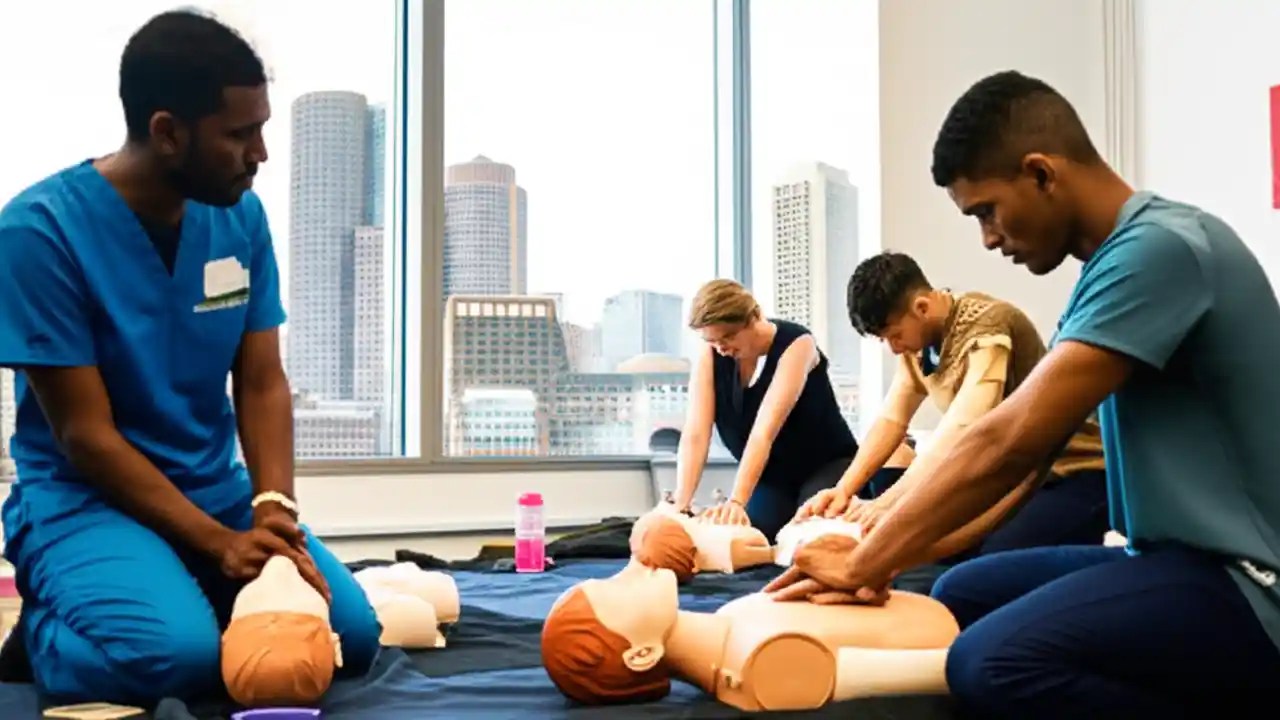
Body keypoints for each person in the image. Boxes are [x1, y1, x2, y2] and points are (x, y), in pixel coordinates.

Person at [765, 69, 1280, 718]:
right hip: (1164, 558)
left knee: (989, 663)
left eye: (985, 211)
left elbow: (1007, 439)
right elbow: (1026, 452)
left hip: (1248, 583)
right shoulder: (1112, 269)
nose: (986, 237)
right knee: (962, 591)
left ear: (1041, 173)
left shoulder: (1161, 251)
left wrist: (871, 555)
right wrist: (898, 551)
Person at [0, 10, 381, 704]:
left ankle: (173, 590)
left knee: (350, 639)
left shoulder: (239, 215)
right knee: (182, 660)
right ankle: (45, 634)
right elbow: (84, 435)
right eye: (240, 134)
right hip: (87, 502)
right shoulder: (39, 233)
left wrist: (272, 513)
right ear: (167, 132)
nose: (260, 153)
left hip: (215, 490)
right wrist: (216, 545)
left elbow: (262, 382)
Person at [795, 251, 1109, 559]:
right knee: (921, 543)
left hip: (1070, 474)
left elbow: (964, 428)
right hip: (1010, 476)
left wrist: (888, 504)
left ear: (921, 307)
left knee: (983, 564)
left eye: (894, 335)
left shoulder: (988, 327)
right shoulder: (917, 346)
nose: (893, 348)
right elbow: (892, 420)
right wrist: (844, 489)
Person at [673, 279, 903, 541]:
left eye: (728, 336)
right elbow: (696, 434)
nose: (721, 347)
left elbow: (764, 432)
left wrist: (736, 500)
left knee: (810, 532)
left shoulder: (797, 344)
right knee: (756, 535)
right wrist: (681, 506)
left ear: (754, 317)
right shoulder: (713, 353)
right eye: (712, 341)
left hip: (826, 465)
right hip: (773, 476)